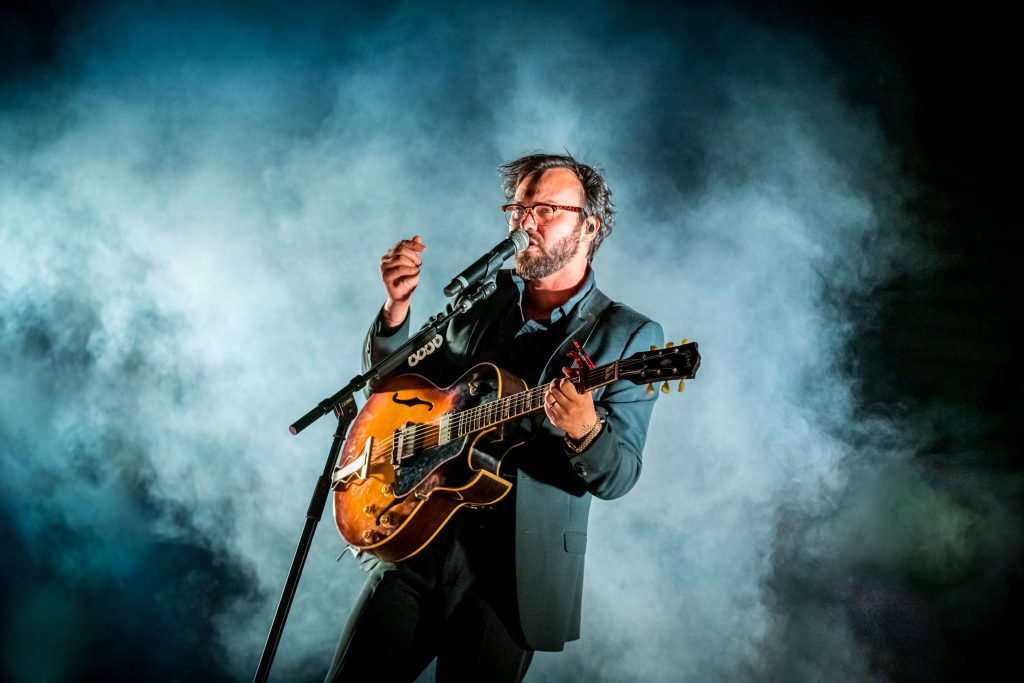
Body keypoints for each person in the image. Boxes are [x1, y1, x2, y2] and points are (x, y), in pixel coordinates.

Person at [326, 153, 664, 682]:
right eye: (518, 208)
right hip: (417, 538)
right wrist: (396, 311)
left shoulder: (627, 335)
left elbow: (619, 475)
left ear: (589, 226)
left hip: (512, 576)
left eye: (547, 209)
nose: (526, 222)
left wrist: (584, 430)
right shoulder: (483, 301)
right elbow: (394, 390)